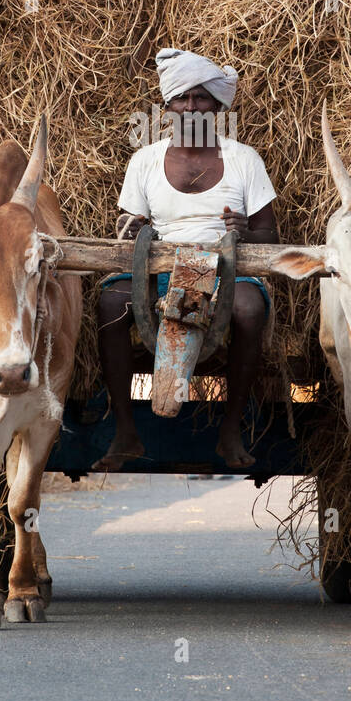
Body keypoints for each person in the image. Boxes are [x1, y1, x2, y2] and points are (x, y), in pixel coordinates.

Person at [94, 47, 279, 470]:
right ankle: (125, 432)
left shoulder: (243, 160)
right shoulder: (144, 161)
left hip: (226, 272)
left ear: (216, 105)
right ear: (168, 105)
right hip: (158, 270)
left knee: (250, 309)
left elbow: (270, 235)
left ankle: (231, 429)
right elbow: (125, 229)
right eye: (183, 98)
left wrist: (244, 232)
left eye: (201, 97)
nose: (191, 106)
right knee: (110, 302)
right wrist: (135, 230)